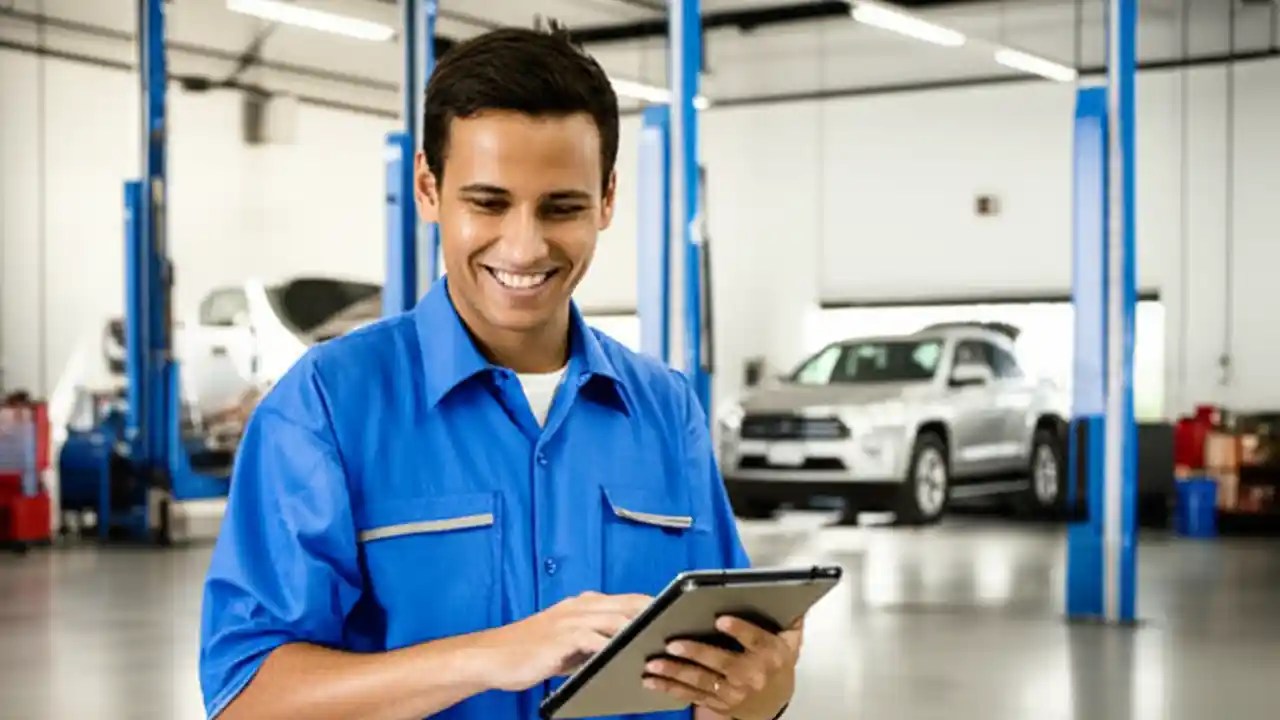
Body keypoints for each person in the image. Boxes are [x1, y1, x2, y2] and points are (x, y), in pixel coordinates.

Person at [199, 27, 805, 720]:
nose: (525, 245)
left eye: (563, 207)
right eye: (488, 203)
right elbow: (247, 701)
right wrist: (490, 656)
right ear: (429, 188)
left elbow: (721, 683)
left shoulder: (667, 411)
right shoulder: (327, 406)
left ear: (607, 199)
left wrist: (763, 691)